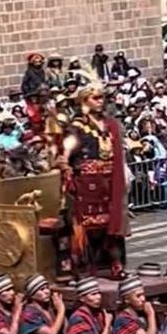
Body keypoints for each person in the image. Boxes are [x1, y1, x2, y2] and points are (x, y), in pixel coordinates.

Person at [61, 84, 130, 279]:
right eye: (95, 98)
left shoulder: (110, 124)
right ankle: (87, 268)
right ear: (84, 101)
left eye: (102, 98)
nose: (100, 101)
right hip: (87, 182)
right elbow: (65, 153)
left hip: (109, 181)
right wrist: (65, 168)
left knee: (113, 226)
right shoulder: (76, 127)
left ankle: (116, 264)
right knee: (89, 227)